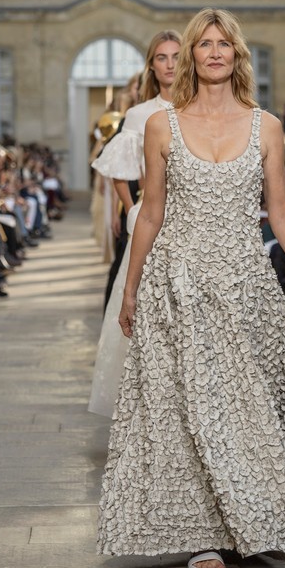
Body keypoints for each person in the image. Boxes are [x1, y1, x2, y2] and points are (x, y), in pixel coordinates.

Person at [97, 8, 285, 568]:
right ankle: (204, 532)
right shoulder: (162, 124)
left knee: (246, 407)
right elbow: (150, 213)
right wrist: (129, 290)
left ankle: (252, 517)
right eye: (203, 44)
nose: (213, 52)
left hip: (246, 283)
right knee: (189, 410)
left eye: (223, 43)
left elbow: (279, 211)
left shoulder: (266, 125)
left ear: (237, 54)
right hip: (176, 282)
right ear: (192, 57)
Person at [88, 30, 181, 419]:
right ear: (152, 65)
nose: (171, 64)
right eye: (162, 57)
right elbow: (119, 169)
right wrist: (131, 209)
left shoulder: (201, 107)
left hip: (194, 218)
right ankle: (148, 403)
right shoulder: (141, 114)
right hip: (152, 220)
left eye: (177, 56)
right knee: (147, 309)